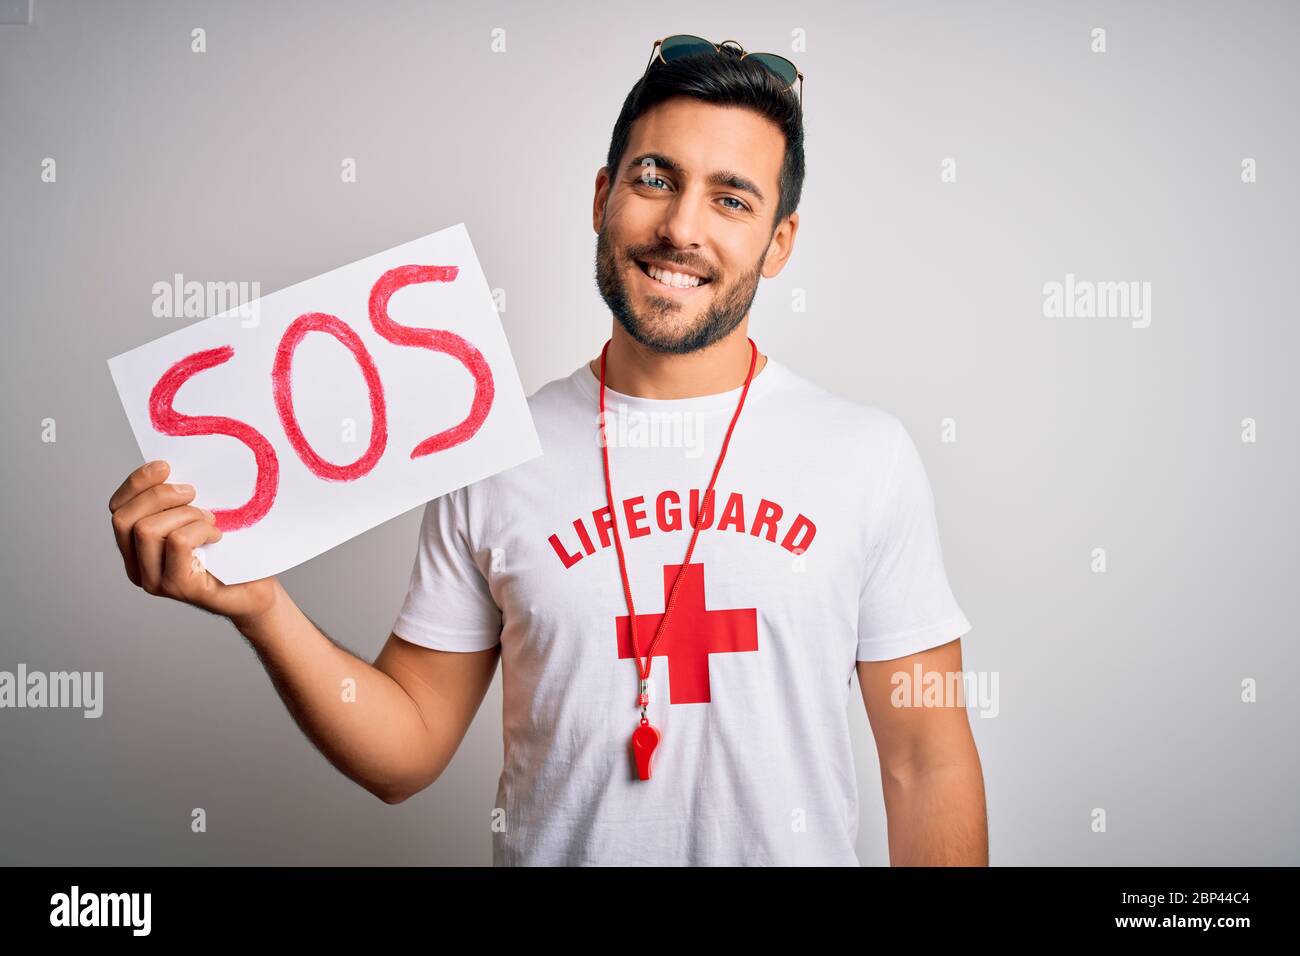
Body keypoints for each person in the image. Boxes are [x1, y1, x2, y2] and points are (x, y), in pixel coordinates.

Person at [108, 35, 987, 866]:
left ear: (779, 242)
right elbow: (405, 749)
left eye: (731, 198)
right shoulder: (492, 456)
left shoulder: (865, 457)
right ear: (602, 195)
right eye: (655, 179)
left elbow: (927, 760)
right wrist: (263, 607)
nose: (682, 227)